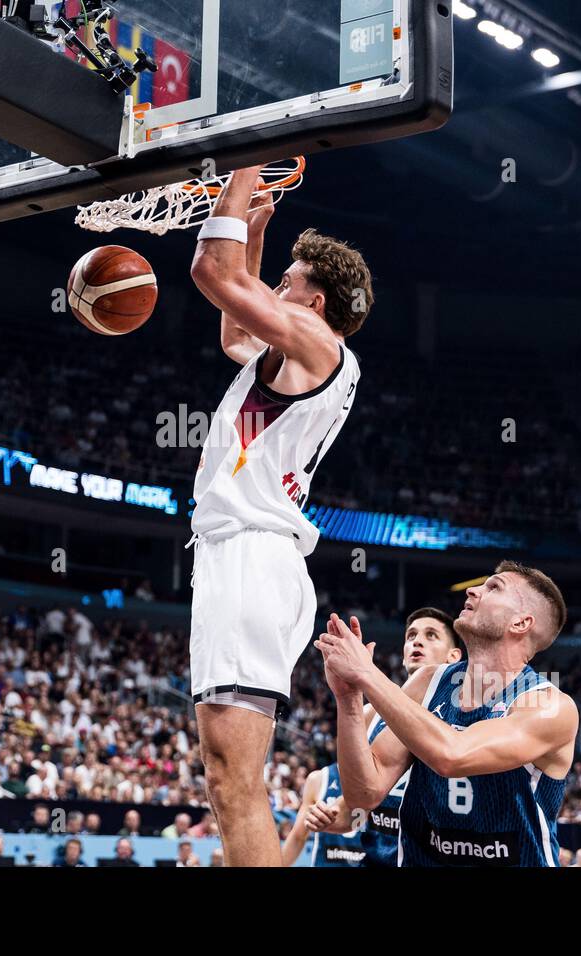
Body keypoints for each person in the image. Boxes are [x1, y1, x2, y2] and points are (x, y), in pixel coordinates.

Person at [187, 165, 372, 867]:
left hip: (251, 558)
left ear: (314, 301)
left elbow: (214, 269)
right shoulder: (304, 355)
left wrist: (239, 170)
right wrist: (259, 224)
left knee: (234, 779)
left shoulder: (317, 343)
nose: (276, 291)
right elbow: (236, 325)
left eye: (288, 282)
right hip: (254, 560)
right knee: (228, 778)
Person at [316, 562, 577, 867]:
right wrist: (348, 700)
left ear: (520, 623)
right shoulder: (427, 682)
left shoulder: (549, 706)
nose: (473, 589)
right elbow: (364, 793)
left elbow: (453, 755)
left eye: (494, 587)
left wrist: (366, 673)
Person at [303, 608, 465, 867]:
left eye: (431, 635)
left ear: (453, 656)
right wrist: (335, 816)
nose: (417, 641)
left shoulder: (463, 714)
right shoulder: (366, 713)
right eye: (411, 636)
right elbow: (360, 807)